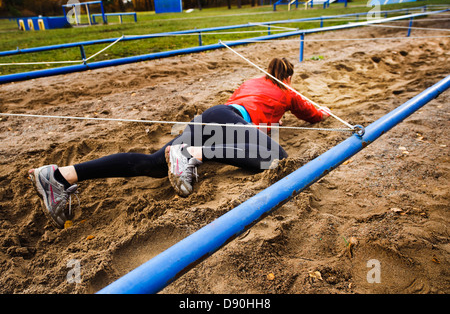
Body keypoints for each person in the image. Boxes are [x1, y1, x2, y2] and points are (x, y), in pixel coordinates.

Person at [29, 58, 330, 229]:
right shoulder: (288, 92)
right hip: (229, 120)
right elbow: (311, 114)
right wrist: (324, 112)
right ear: (288, 76)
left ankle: (60, 175)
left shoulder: (250, 83)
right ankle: (192, 154)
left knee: (152, 164)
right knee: (276, 157)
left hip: (214, 115)